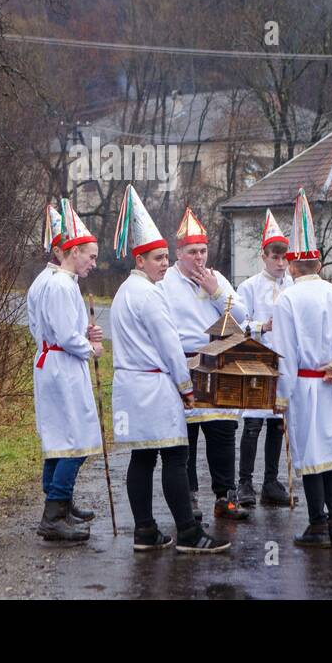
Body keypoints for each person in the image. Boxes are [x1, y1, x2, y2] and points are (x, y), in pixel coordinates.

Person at [111, 185, 230, 553]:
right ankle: (189, 534)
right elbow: (169, 346)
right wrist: (186, 387)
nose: (164, 263)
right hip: (154, 387)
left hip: (131, 386)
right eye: (158, 257)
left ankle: (145, 531)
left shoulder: (124, 292)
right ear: (140, 260)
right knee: (176, 457)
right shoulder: (150, 294)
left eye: (165, 257)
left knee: (143, 457)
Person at [273, 188, 332, 547]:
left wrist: (281, 398)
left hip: (303, 385)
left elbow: (284, 353)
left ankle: (318, 523)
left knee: (311, 454)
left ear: (293, 266)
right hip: (331, 383)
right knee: (329, 451)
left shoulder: (287, 299)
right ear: (320, 265)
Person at [160, 206, 250, 522]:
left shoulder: (217, 279)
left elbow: (241, 318)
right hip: (183, 365)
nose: (199, 257)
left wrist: (215, 292)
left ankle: (225, 496)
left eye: (203, 250)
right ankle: (190, 499)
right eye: (193, 252)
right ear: (178, 253)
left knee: (223, 432)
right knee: (187, 437)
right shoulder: (164, 283)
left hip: (217, 364)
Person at [31, 199, 104, 543]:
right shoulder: (60, 284)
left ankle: (60, 503)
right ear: (73, 251)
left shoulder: (55, 281)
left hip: (55, 364)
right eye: (90, 255)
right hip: (61, 366)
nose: (94, 262)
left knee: (62, 436)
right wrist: (90, 348)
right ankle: (54, 512)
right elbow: (63, 333)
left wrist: (82, 336)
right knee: (75, 438)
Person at [235, 209, 294, 508]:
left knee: (278, 424)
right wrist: (261, 326)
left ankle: (271, 481)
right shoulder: (249, 287)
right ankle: (245, 482)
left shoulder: (293, 285)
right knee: (254, 423)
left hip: (284, 363)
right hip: (258, 361)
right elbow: (235, 324)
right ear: (264, 256)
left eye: (285, 258)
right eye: (275, 257)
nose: (281, 263)